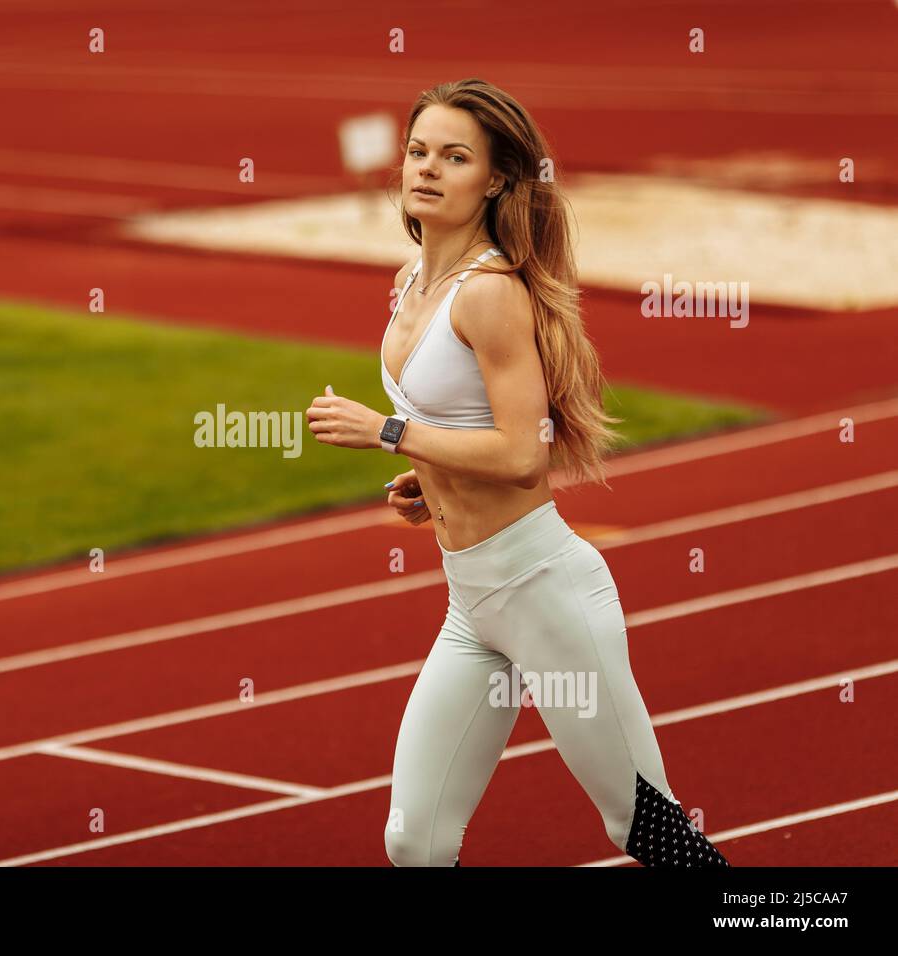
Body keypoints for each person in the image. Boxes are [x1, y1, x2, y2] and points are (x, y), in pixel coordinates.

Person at [304, 78, 729, 868]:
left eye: (455, 157)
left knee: (644, 827)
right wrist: (427, 484)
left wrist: (389, 432)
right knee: (416, 842)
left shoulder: (490, 296)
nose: (426, 168)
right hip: (474, 607)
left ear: (496, 179)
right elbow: (464, 432)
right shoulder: (410, 285)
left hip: (545, 593)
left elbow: (524, 456)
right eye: (418, 151)